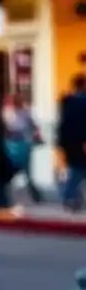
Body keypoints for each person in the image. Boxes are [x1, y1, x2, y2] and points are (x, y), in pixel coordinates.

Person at [3, 92, 43, 204]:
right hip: (12, 144)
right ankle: (34, 195)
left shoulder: (25, 113)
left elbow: (34, 126)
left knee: (24, 171)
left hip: (23, 144)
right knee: (15, 171)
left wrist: (37, 136)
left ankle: (36, 195)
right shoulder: (9, 113)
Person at [58, 74, 86, 211]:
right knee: (77, 171)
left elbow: (64, 124)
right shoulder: (81, 102)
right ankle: (68, 197)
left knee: (76, 170)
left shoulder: (67, 102)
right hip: (79, 143)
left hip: (69, 143)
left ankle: (73, 198)